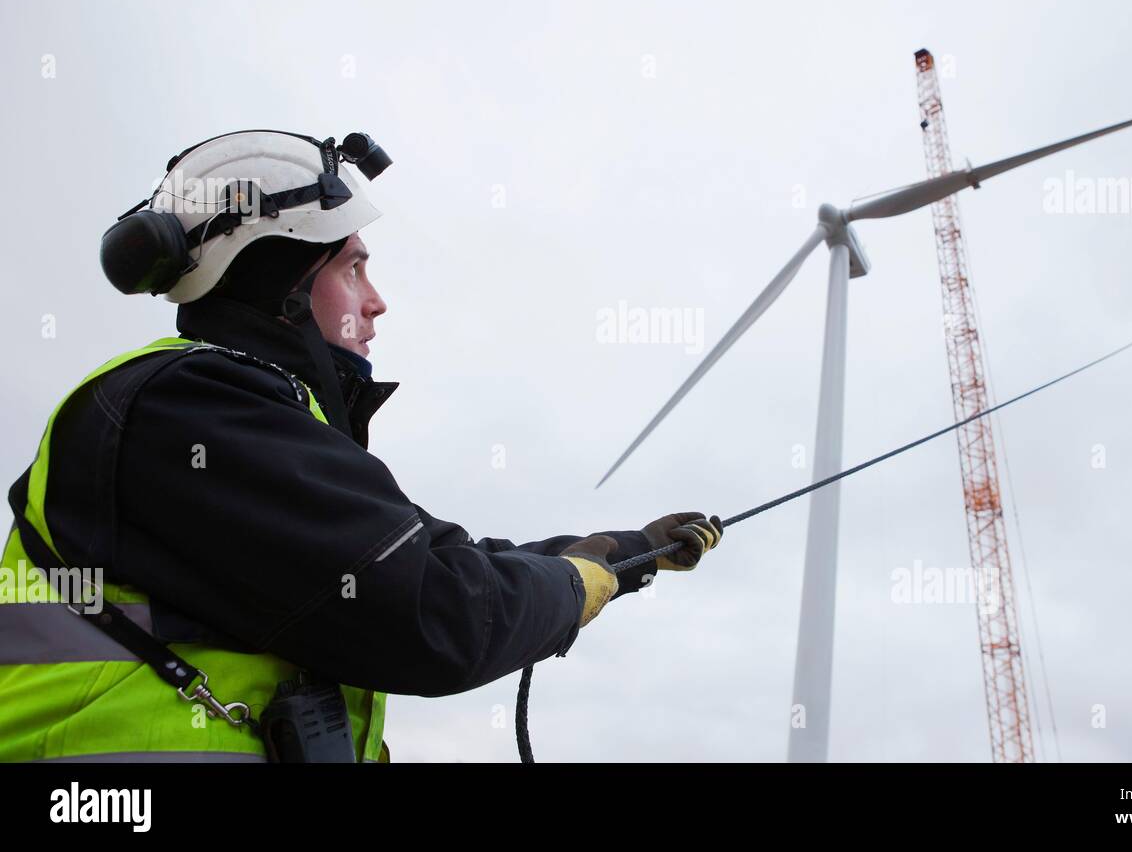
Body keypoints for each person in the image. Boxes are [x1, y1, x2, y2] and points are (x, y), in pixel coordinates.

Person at [0, 129, 724, 762]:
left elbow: (433, 562)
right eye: (352, 267)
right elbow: (435, 611)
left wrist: (619, 553)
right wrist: (577, 581)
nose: (377, 301)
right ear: (279, 282)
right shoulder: (188, 407)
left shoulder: (251, 421)